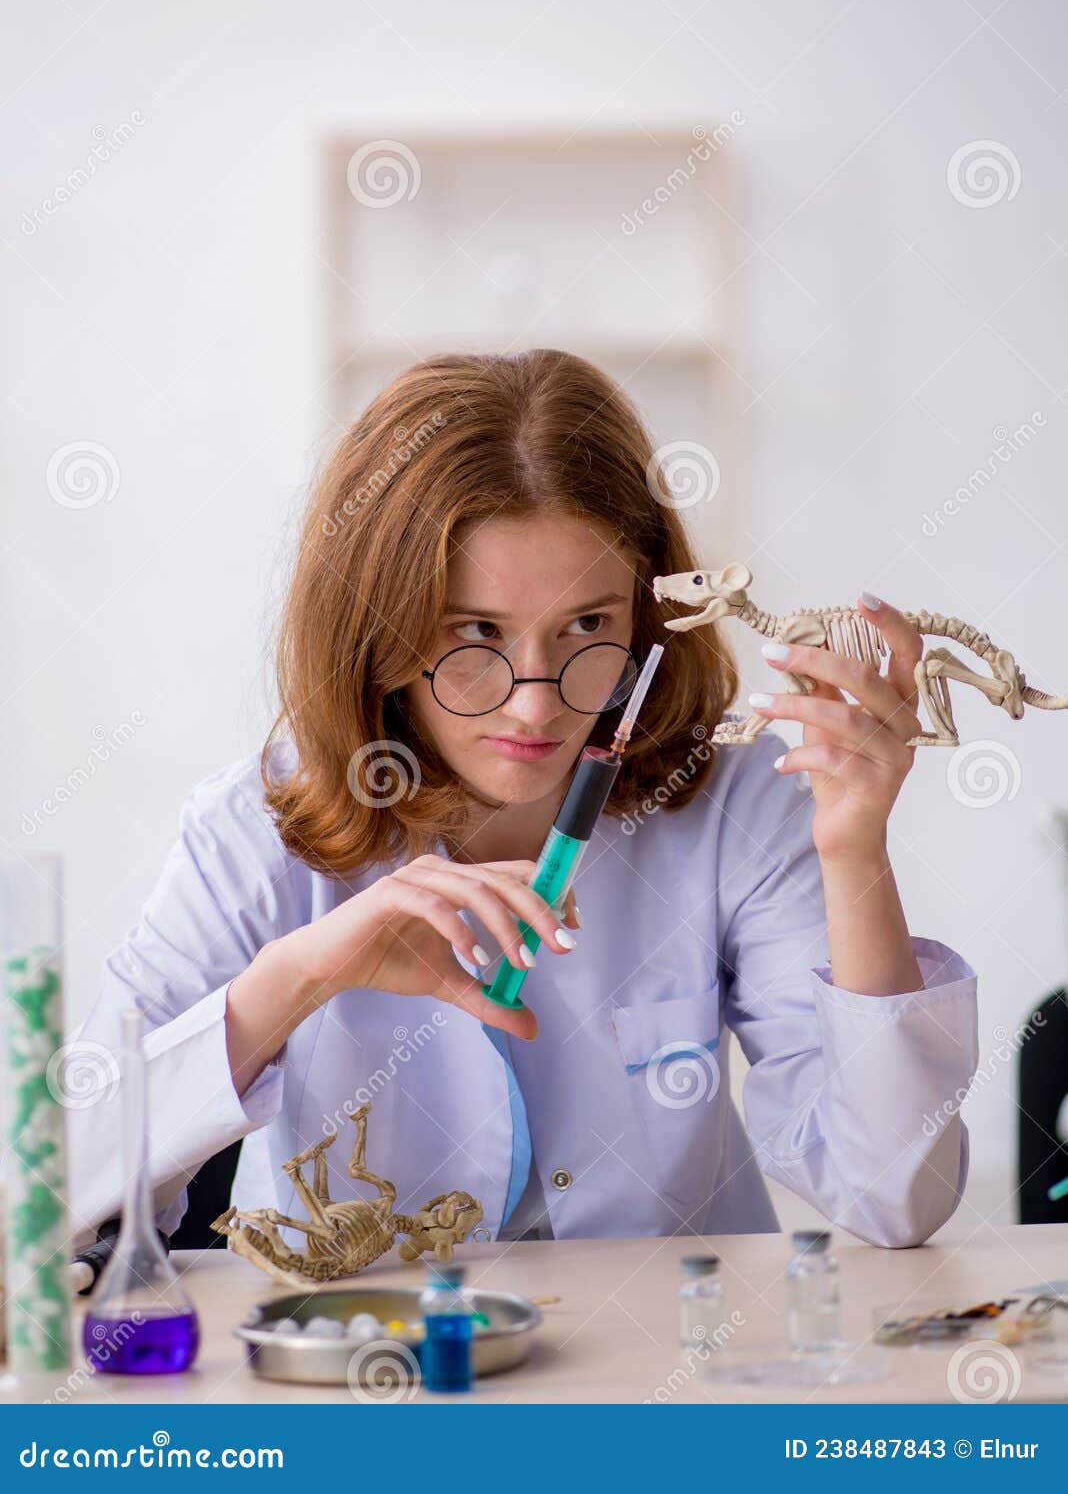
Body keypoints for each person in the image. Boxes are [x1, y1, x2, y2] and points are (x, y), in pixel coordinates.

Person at [69, 349, 978, 1251]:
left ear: (648, 615)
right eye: (476, 633)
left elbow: (892, 1196)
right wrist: (298, 979)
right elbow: (44, 1203)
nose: (537, 702)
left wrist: (857, 851)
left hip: (671, 1373)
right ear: (375, 635)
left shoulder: (736, 800)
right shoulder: (255, 829)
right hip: (370, 1379)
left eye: (589, 625)